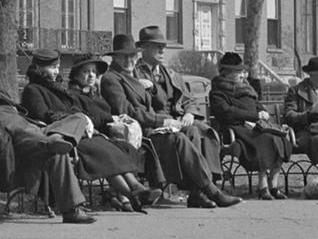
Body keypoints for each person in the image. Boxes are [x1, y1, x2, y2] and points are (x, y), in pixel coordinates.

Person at [0, 54, 96, 224]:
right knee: (56, 151)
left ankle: (55, 138)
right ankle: (71, 210)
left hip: (32, 128)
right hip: (5, 133)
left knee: (78, 118)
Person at [100, 31, 240, 208]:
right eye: (123, 57)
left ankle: (197, 192)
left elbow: (180, 99)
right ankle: (212, 191)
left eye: (132, 56)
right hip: (139, 133)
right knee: (180, 138)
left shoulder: (139, 75)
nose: (129, 61)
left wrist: (182, 114)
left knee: (193, 130)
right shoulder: (111, 78)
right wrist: (164, 121)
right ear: (114, 58)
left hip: (157, 127)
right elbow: (127, 111)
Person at [19, 48, 159, 211]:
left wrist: (79, 118)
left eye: (57, 67)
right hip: (64, 136)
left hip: (79, 132)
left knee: (108, 148)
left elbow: (74, 109)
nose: (56, 71)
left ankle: (135, 191)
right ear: (37, 68)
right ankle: (134, 191)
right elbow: (42, 115)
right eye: (52, 67)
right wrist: (74, 119)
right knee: (103, 150)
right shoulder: (33, 90)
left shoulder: (58, 89)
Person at [207, 51, 292, 200]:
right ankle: (262, 185)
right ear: (226, 73)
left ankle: (273, 184)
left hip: (256, 126)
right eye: (238, 72)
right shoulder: (217, 92)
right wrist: (254, 116)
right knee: (266, 139)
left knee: (280, 139)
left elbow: (257, 105)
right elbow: (227, 113)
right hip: (236, 129)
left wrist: (263, 112)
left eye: (242, 71)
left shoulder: (246, 88)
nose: (242, 75)